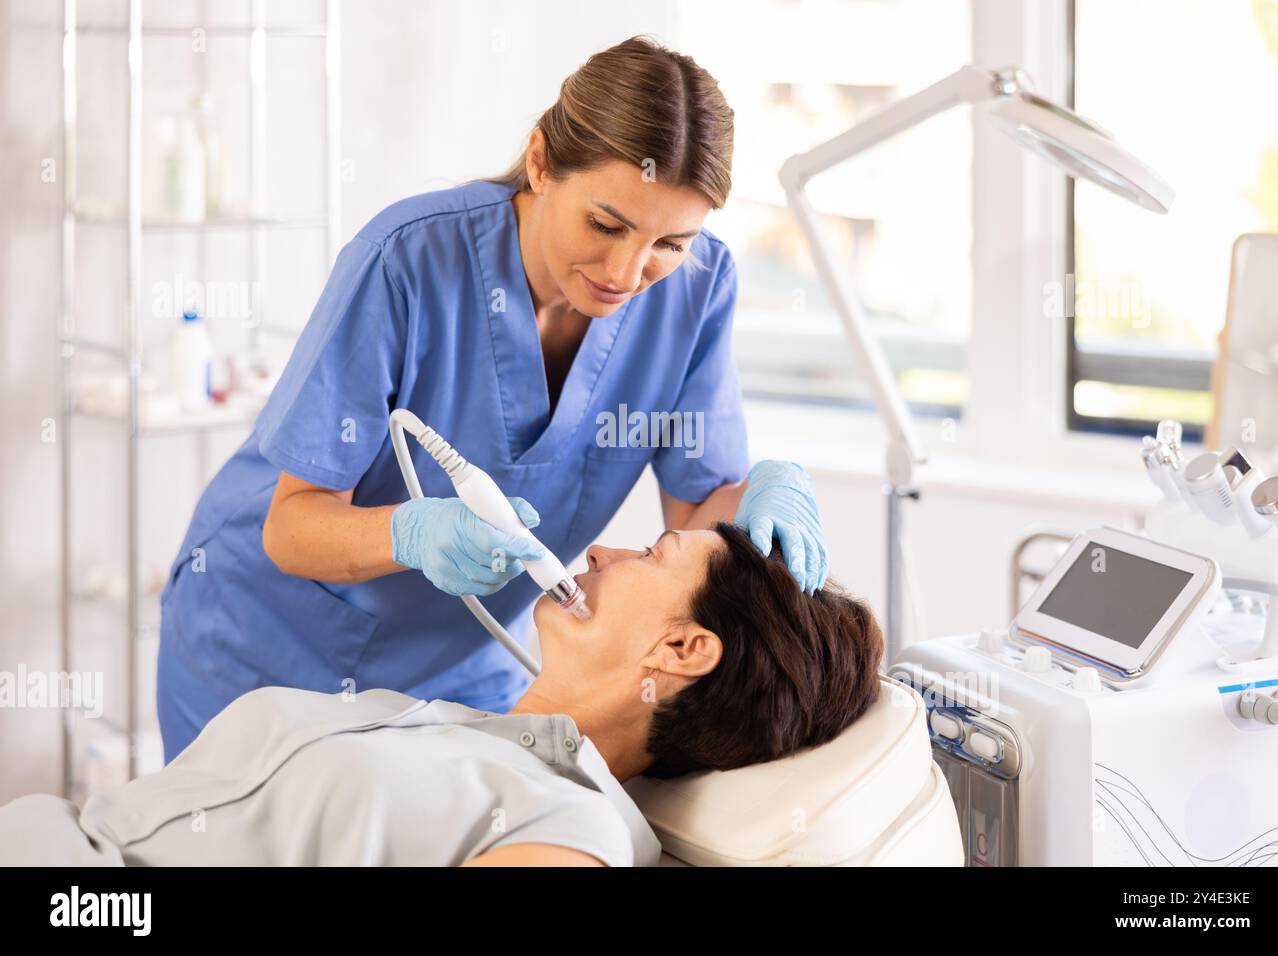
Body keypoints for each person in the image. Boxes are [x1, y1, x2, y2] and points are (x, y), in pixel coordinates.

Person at [156, 35, 829, 762]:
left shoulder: (696, 290)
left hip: (464, 659)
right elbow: (290, 527)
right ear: (541, 163)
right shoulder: (409, 260)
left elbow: (698, 519)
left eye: (669, 242)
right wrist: (410, 533)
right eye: (606, 224)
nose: (627, 272)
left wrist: (769, 488)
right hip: (271, 643)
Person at [1, 524, 880, 867]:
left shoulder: (577, 827)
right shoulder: (460, 725)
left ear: (683, 647)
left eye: (652, 554)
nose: (605, 551)